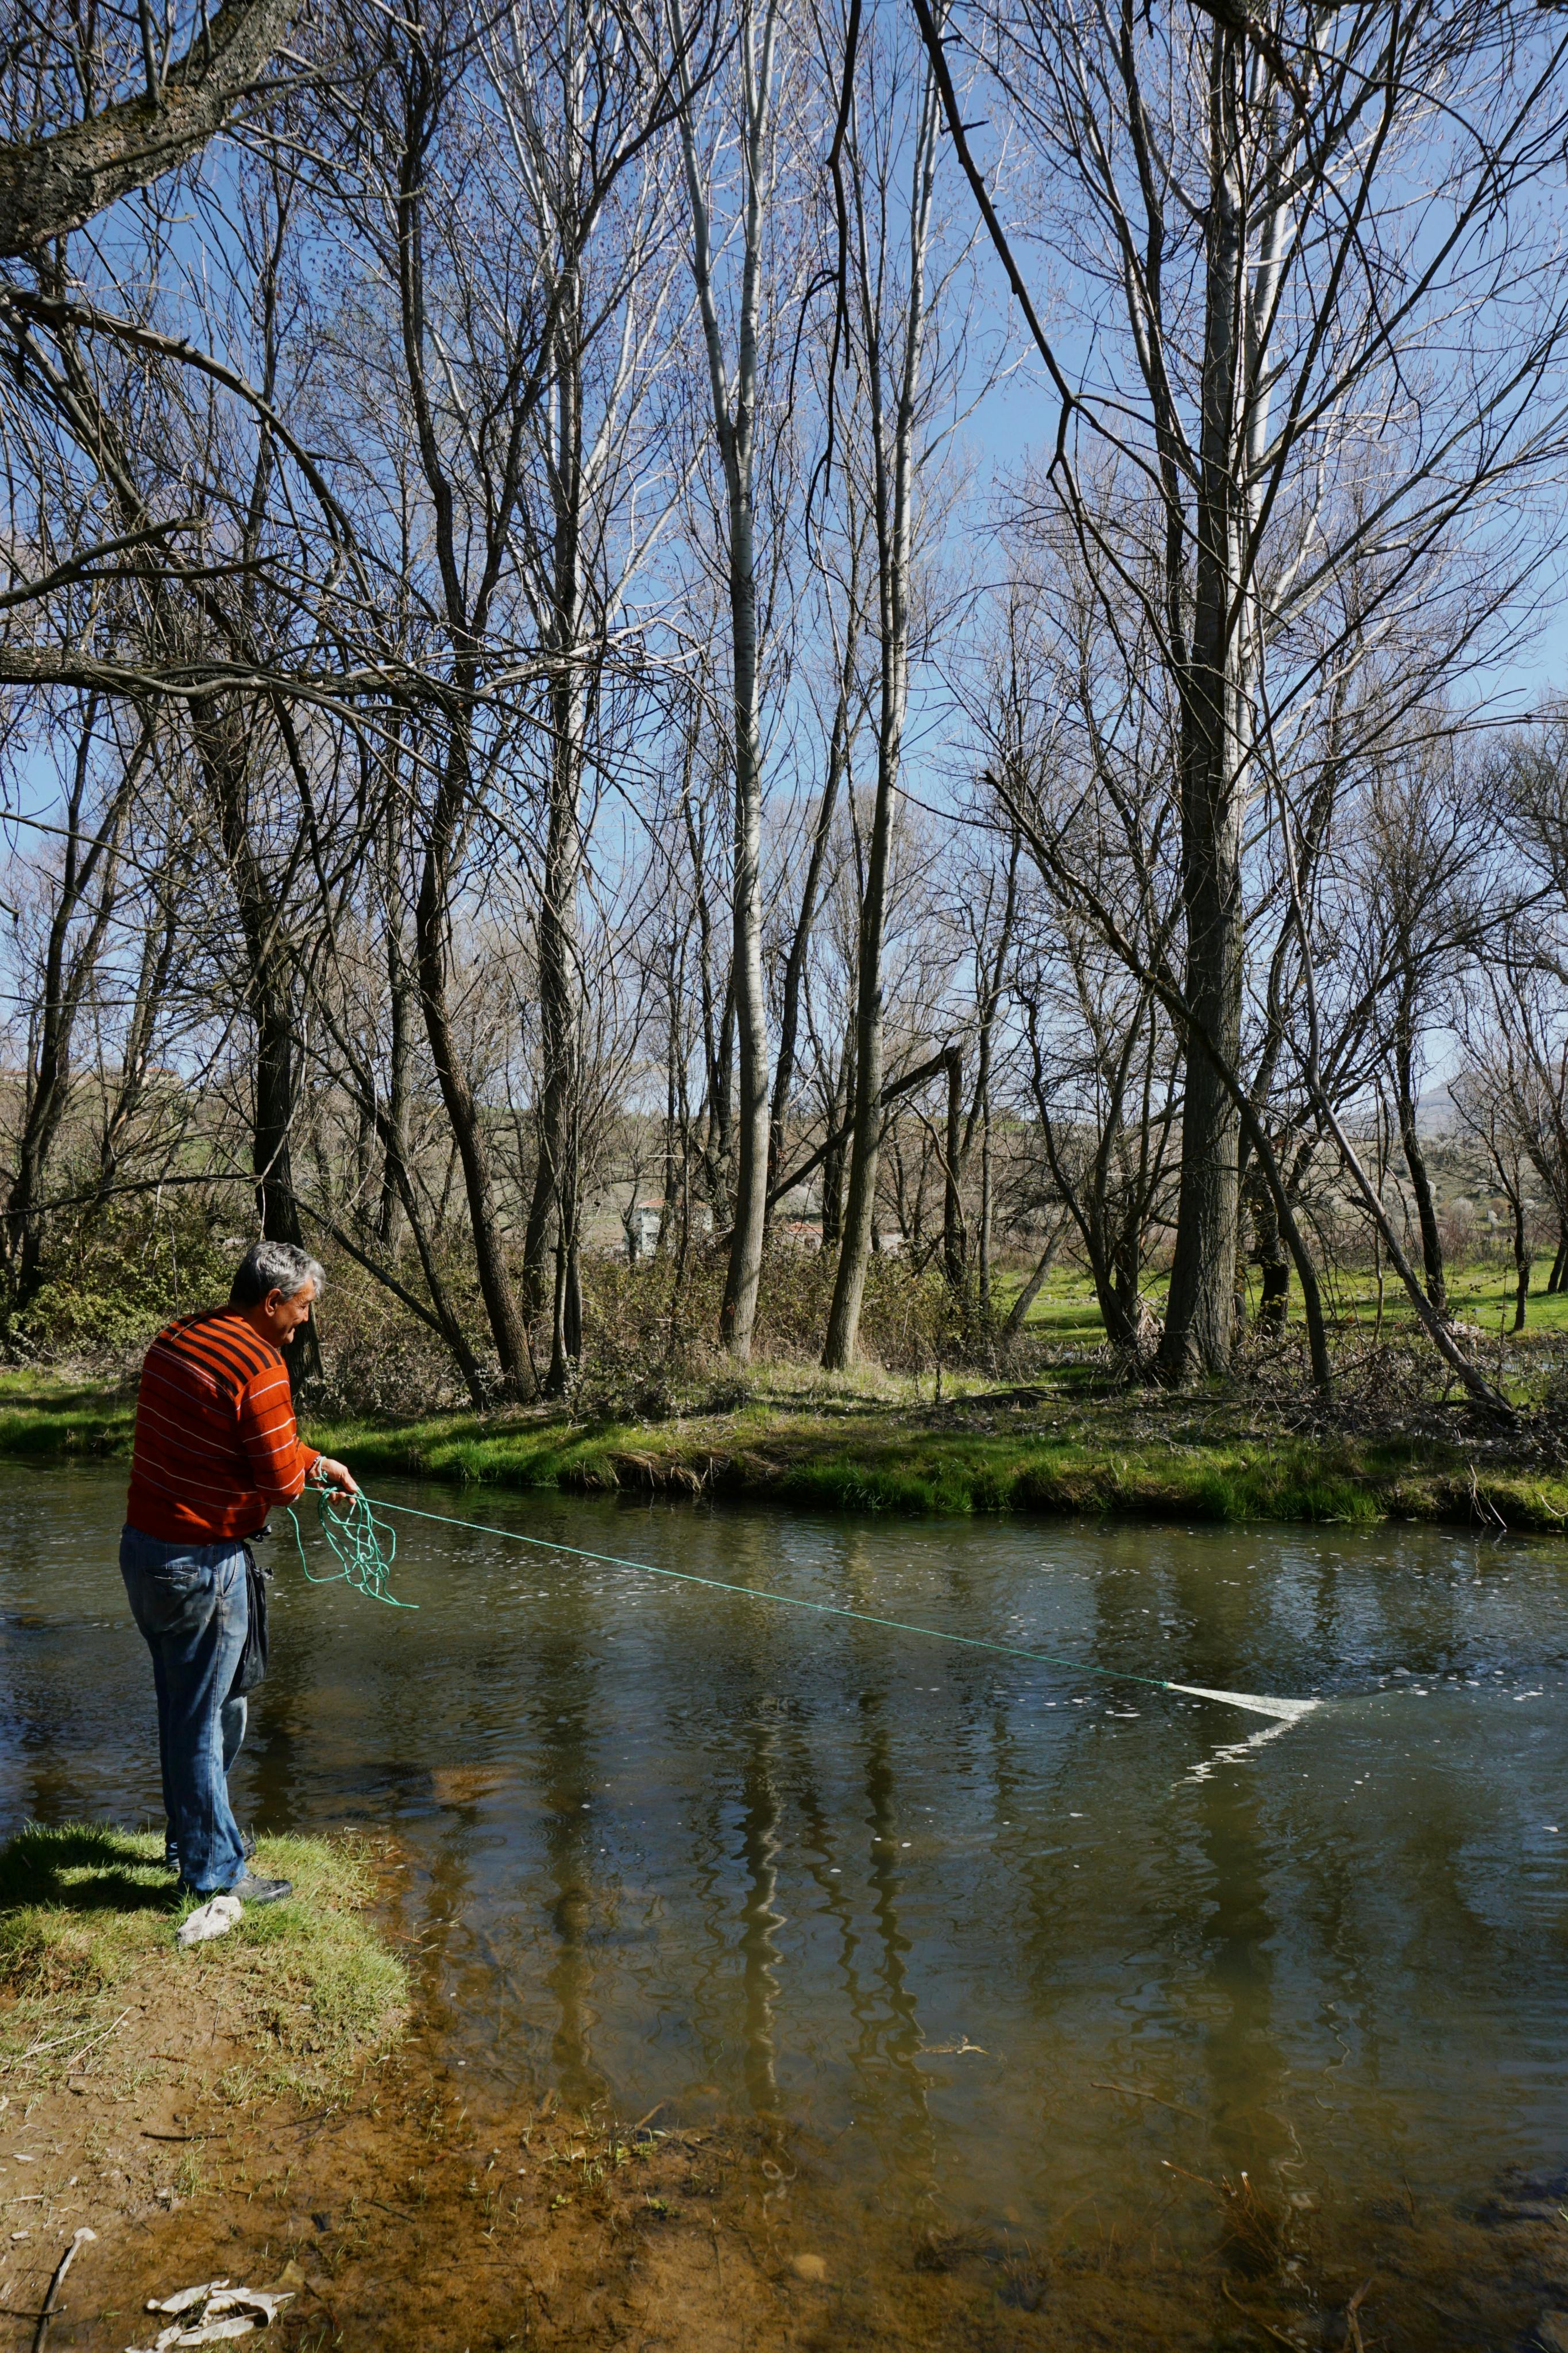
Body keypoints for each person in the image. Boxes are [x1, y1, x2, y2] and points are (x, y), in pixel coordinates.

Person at [120, 1240, 358, 1905]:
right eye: (303, 1307)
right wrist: (301, 1469)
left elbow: (243, 1443)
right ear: (273, 1301)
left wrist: (318, 1459)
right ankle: (215, 1871)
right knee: (206, 1718)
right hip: (199, 1565)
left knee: (196, 1707)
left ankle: (187, 1840)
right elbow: (280, 1482)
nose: (306, 1320)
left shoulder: (178, 1334)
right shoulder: (261, 1364)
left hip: (142, 1550)